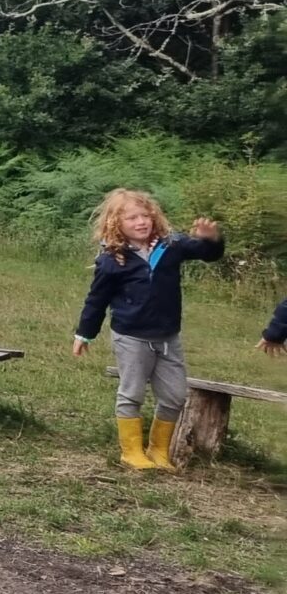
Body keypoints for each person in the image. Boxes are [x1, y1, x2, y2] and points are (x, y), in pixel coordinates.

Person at [74, 189, 223, 470]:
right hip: (131, 337)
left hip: (168, 337)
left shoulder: (172, 245)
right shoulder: (111, 259)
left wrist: (211, 239)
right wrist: (84, 334)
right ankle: (131, 452)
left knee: (175, 396)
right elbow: (96, 300)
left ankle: (158, 451)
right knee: (132, 394)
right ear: (116, 223)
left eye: (145, 216)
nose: (141, 222)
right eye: (132, 218)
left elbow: (208, 254)